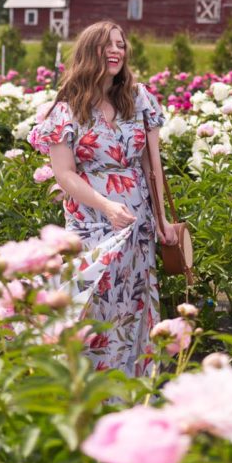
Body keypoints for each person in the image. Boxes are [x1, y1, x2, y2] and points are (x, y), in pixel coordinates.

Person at [30, 20, 177, 376]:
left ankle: (131, 390)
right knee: (91, 303)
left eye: (121, 45)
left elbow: (152, 166)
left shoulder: (138, 99)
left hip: (137, 219)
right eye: (107, 45)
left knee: (133, 303)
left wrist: (161, 219)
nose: (116, 51)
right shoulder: (66, 111)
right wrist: (107, 205)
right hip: (91, 219)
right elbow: (64, 174)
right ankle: (83, 389)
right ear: (88, 52)